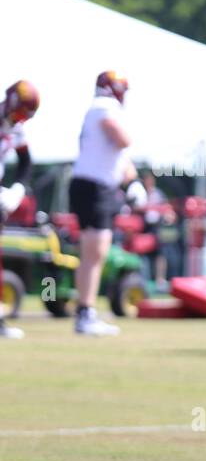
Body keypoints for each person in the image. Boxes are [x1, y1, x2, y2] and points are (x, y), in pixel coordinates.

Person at [70, 70, 135, 336]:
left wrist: (133, 183)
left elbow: (121, 162)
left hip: (95, 186)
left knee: (94, 254)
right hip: (95, 188)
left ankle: (85, 311)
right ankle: (85, 313)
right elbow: (120, 139)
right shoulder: (103, 107)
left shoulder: (98, 109)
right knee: (94, 253)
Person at [1, 80, 39, 340]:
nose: (19, 120)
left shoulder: (16, 128)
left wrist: (17, 189)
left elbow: (26, 162)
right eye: (19, 114)